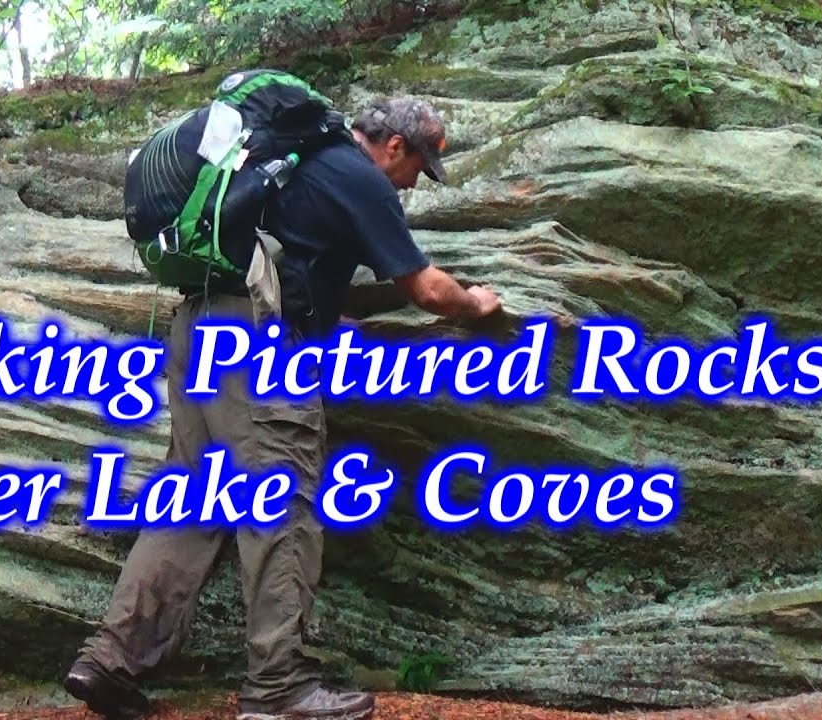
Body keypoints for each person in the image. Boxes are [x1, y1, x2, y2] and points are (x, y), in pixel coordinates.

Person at [64, 95, 502, 720]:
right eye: (417, 170)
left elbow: (298, 264)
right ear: (395, 147)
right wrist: (475, 304)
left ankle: (109, 659)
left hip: (199, 326)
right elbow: (428, 288)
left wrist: (327, 314)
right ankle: (278, 687)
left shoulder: (292, 163)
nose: (412, 186)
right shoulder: (358, 177)